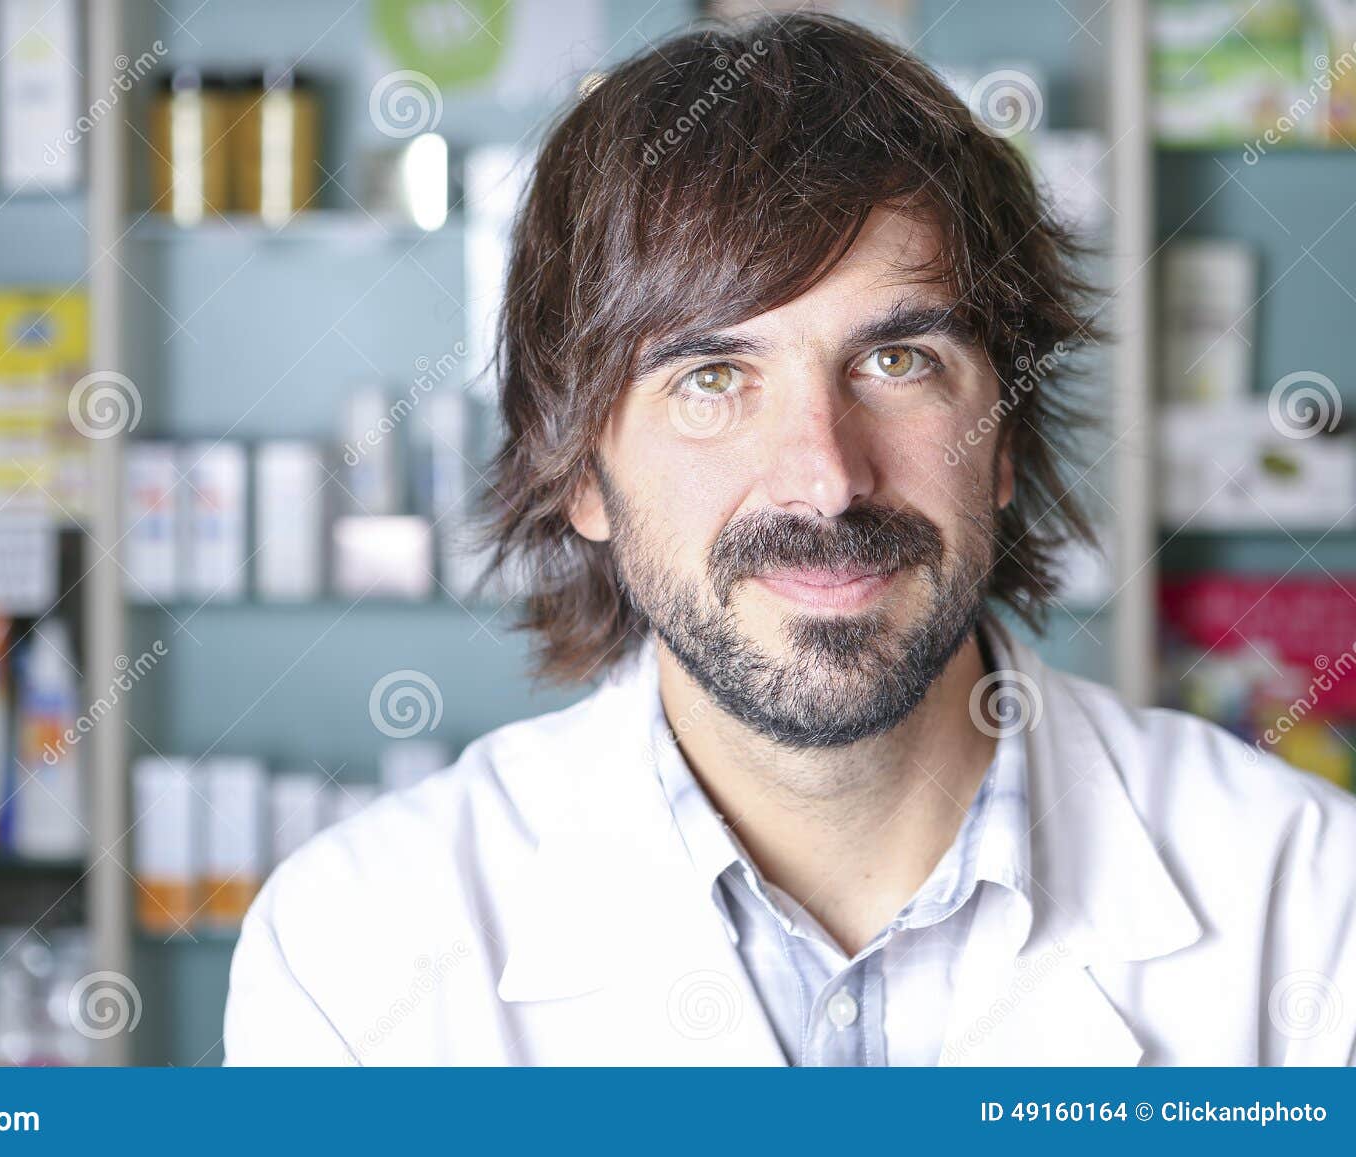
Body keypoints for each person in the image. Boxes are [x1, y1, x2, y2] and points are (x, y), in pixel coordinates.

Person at [224, 13, 1356, 1066]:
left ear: (1004, 434)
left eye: (898, 361)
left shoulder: (1308, 905)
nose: (824, 476)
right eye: (712, 378)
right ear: (579, 469)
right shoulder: (356, 951)